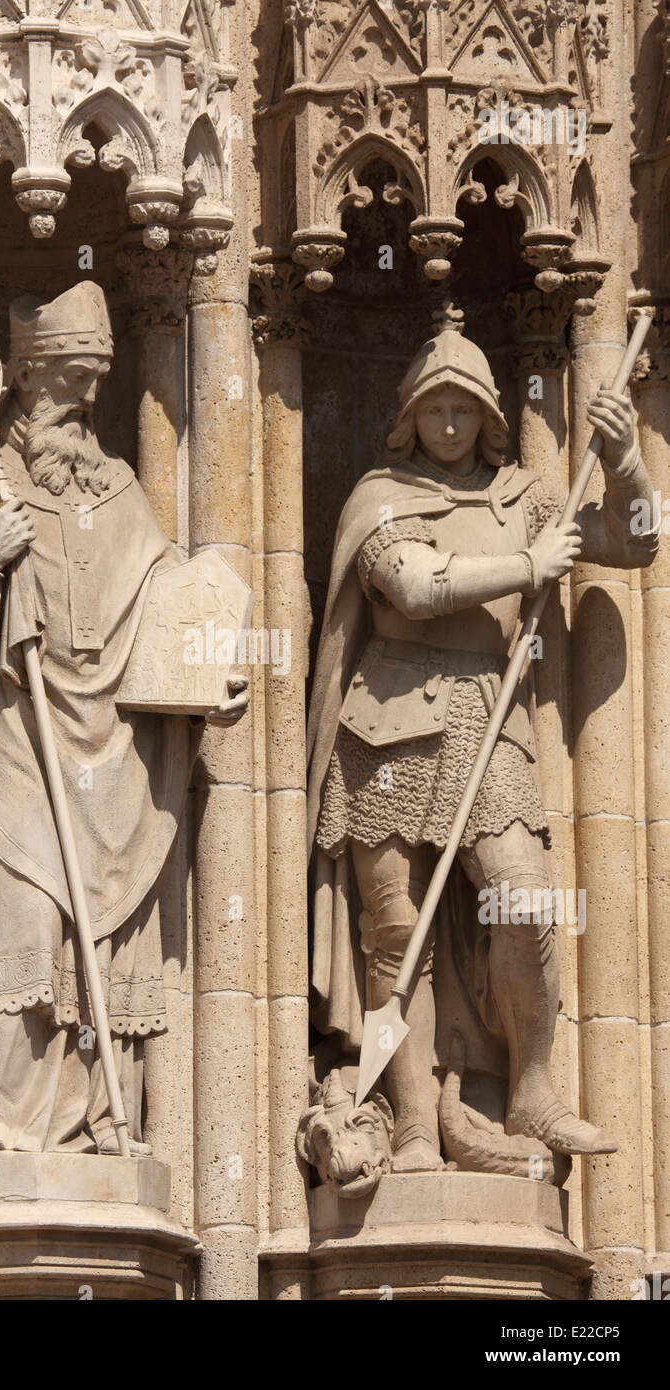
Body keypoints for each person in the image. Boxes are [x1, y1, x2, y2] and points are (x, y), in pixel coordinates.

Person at [0, 281, 249, 1163]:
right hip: (18, 736)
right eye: (68, 384)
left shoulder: (123, 488)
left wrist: (210, 676)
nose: (86, 405)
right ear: (22, 381)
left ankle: (94, 1115)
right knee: (20, 913)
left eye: (95, 383)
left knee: (101, 927)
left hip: (116, 757)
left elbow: (166, 595)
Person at [307, 321, 658, 1172]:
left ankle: (533, 1089)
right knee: (396, 933)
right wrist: (528, 567)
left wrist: (626, 461)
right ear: (410, 417)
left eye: (468, 409)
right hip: (382, 729)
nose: (453, 424)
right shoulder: (381, 496)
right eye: (438, 408)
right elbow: (415, 585)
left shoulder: (525, 497)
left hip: (485, 719)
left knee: (526, 900)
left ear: (492, 415)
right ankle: (417, 1122)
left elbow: (638, 540)